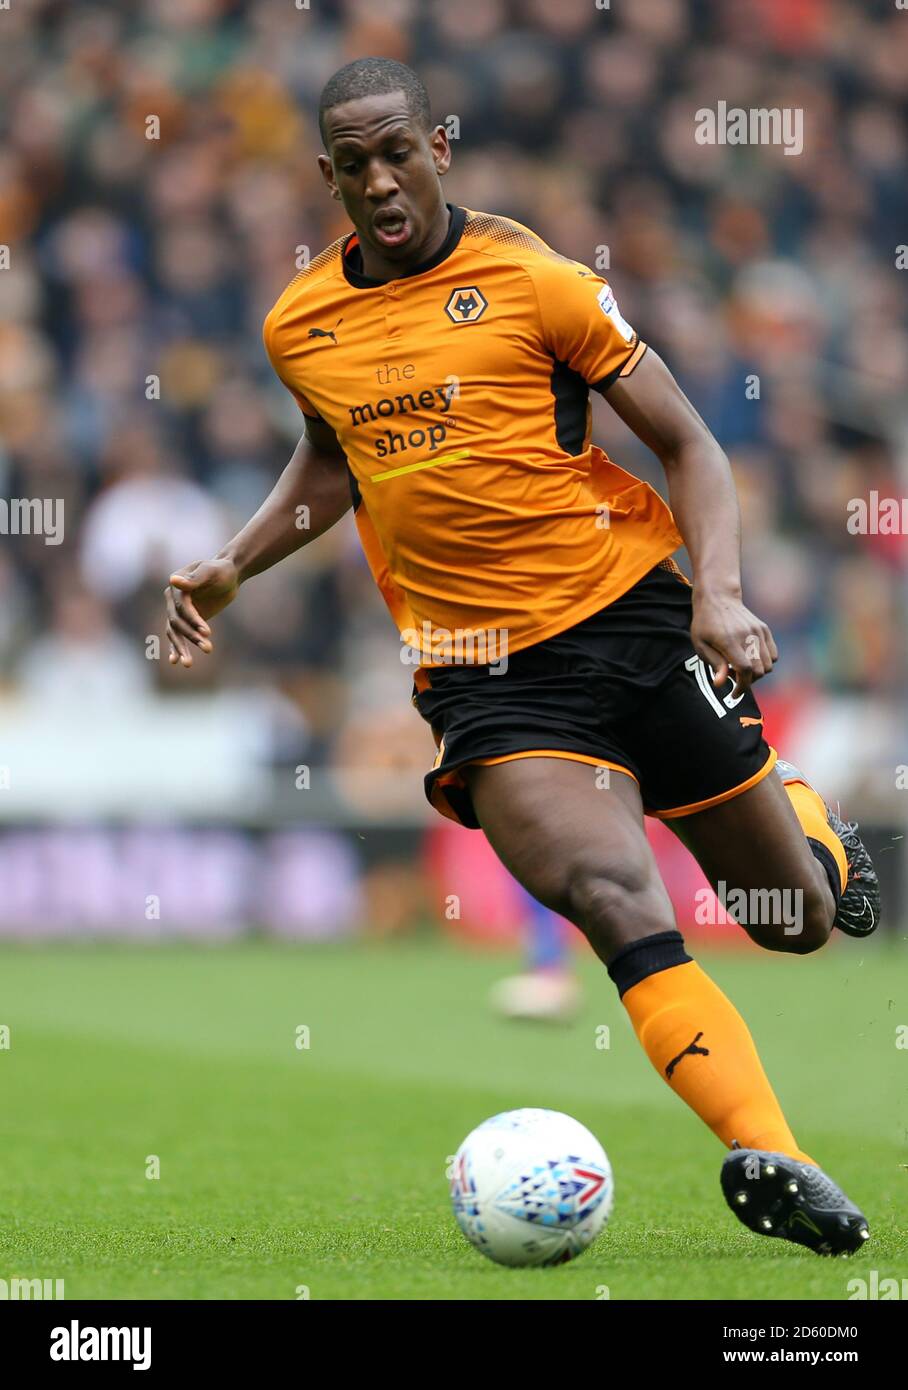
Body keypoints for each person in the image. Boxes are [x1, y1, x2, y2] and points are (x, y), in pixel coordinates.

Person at [165, 58, 879, 1255]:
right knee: (610, 895)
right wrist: (238, 560)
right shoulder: (301, 323)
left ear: (437, 144)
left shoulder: (537, 279)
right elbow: (333, 462)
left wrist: (720, 595)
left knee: (793, 919)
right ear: (325, 177)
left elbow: (692, 444)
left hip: (635, 622)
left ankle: (803, 820)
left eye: (398, 152)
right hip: (484, 672)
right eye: (353, 165)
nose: (381, 182)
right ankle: (775, 1154)